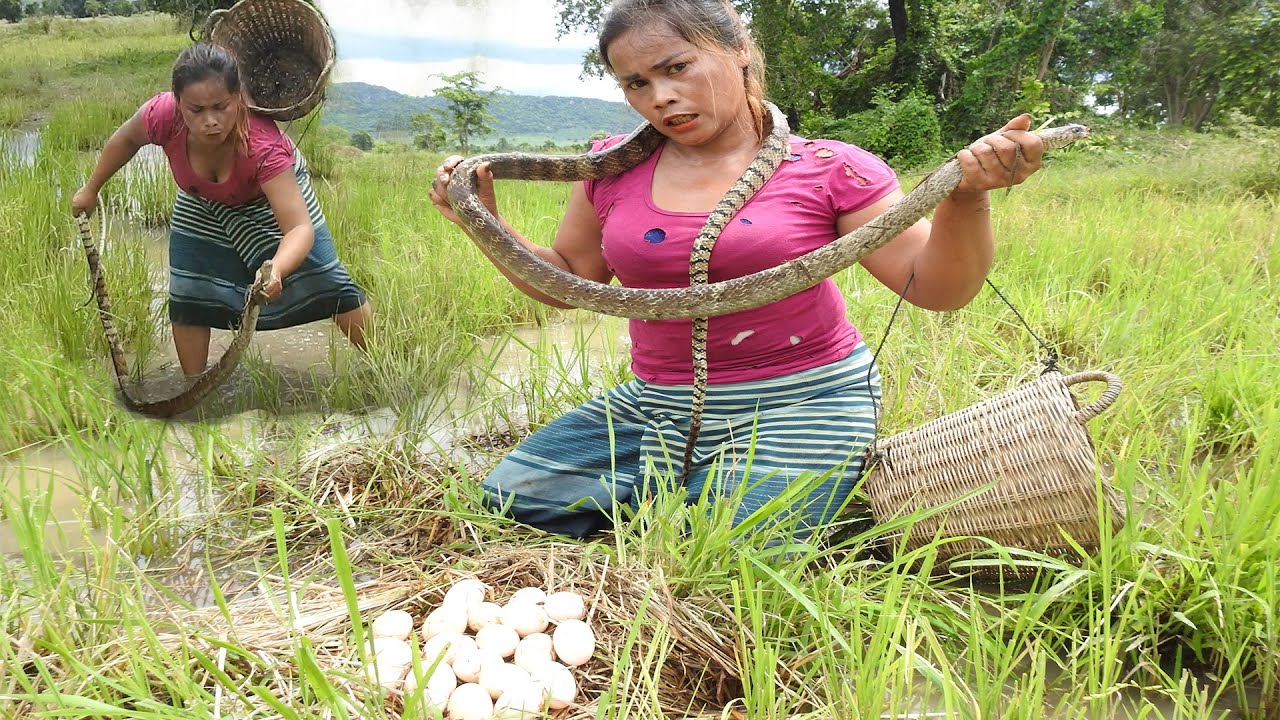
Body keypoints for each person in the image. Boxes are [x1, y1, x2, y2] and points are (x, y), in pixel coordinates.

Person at [429, 0, 1045, 542]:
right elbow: (568, 279)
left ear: (738, 49)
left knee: (722, 549)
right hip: (660, 402)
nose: (660, 97)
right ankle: (716, 495)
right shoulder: (609, 172)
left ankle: (789, 491)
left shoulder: (831, 168)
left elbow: (938, 289)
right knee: (514, 497)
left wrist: (967, 196)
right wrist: (482, 222)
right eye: (636, 83)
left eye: (677, 67)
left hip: (803, 399)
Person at [72, 43, 371, 377]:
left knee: (328, 280)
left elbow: (299, 229)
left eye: (220, 107)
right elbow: (125, 140)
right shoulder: (162, 115)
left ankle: (383, 364)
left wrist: (277, 269)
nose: (210, 121)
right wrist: (91, 189)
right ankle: (192, 387)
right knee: (189, 290)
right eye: (195, 110)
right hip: (200, 197)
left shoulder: (263, 146)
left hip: (266, 196)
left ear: (239, 98)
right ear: (178, 102)